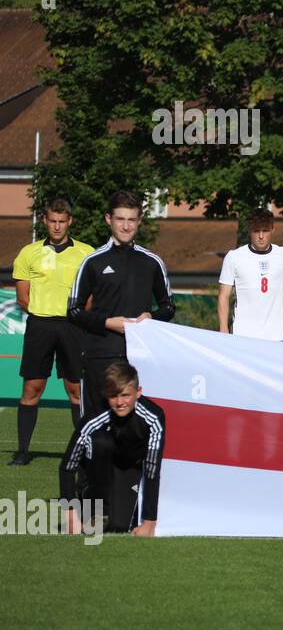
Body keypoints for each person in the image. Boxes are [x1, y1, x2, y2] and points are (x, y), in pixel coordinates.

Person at [67, 191, 175, 421]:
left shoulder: (152, 262)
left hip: (140, 358)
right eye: (120, 219)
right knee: (94, 428)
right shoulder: (92, 261)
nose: (126, 226)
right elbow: (74, 311)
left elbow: (168, 307)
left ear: (139, 221)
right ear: (109, 219)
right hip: (99, 356)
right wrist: (107, 323)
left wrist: (152, 317)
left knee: (135, 428)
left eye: (131, 220)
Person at [9, 198, 93, 466]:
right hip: (40, 325)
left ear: (70, 221)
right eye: (52, 221)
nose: (57, 226)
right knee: (33, 388)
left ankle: (83, 452)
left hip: (73, 327)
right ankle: (23, 452)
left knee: (76, 389)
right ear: (44, 221)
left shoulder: (86, 253)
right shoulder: (28, 253)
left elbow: (91, 296)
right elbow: (23, 297)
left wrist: (80, 316)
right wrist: (43, 312)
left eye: (62, 221)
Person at [59, 361, 165, 536]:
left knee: (119, 525)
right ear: (106, 394)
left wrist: (149, 522)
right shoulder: (94, 418)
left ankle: (113, 507)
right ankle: (90, 500)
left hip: (130, 468)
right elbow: (67, 466)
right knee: (101, 442)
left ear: (138, 392)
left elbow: (153, 469)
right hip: (100, 468)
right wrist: (70, 514)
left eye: (125, 395)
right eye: (113, 396)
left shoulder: (154, 417)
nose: (119, 402)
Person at [218, 209, 283, 341]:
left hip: (276, 336)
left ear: (273, 229)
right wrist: (223, 329)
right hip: (242, 335)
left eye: (265, 231)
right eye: (256, 231)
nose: (261, 236)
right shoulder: (234, 257)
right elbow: (223, 296)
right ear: (249, 230)